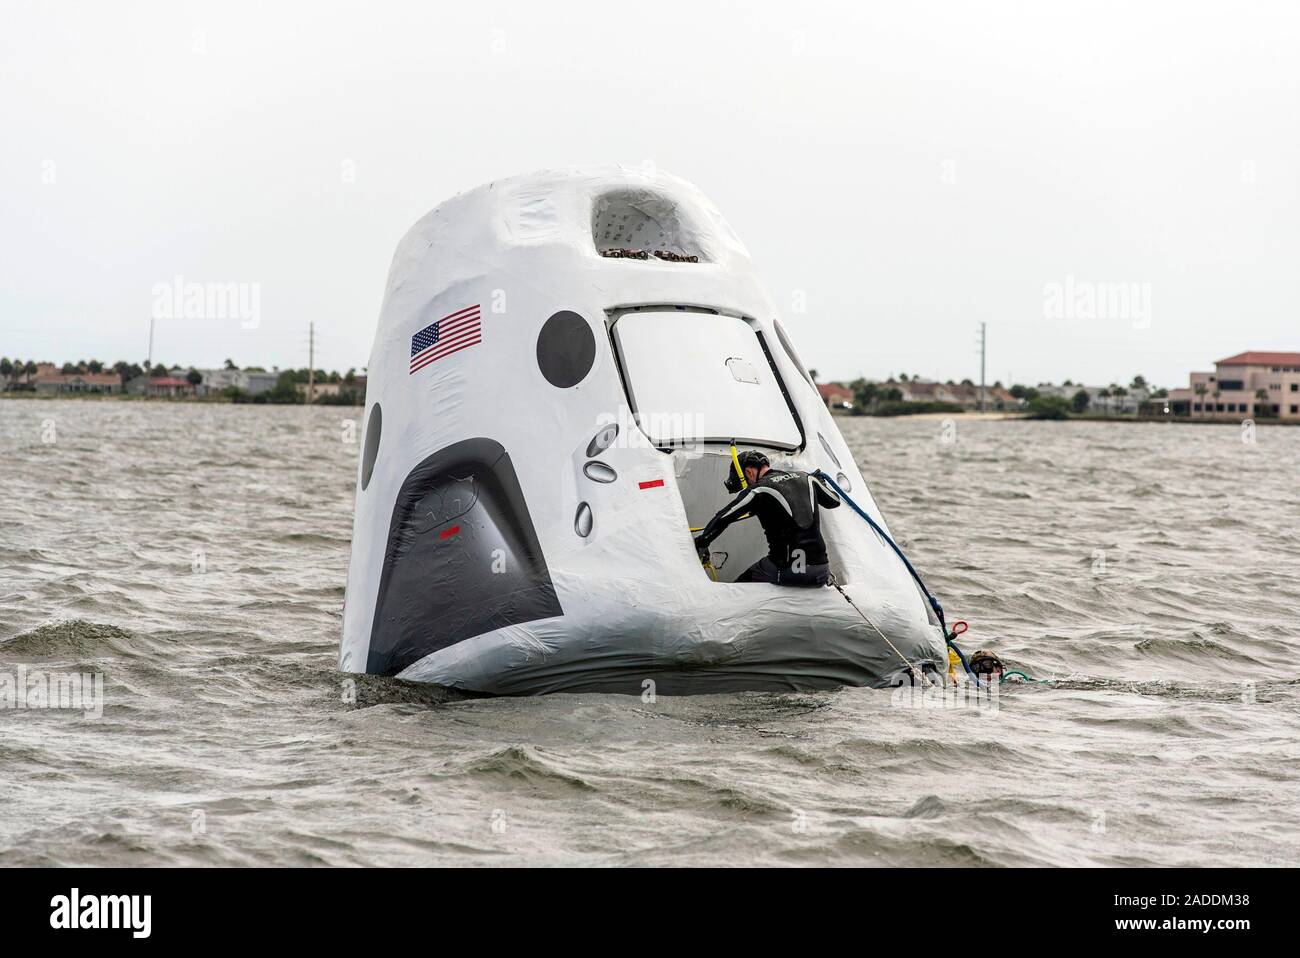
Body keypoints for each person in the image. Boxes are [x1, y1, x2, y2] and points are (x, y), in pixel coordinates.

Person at [693, 450, 840, 586]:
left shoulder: (758, 490)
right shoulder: (807, 478)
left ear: (749, 472)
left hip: (787, 571)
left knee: (740, 585)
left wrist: (702, 542)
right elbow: (834, 501)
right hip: (820, 570)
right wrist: (820, 482)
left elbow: (723, 518)